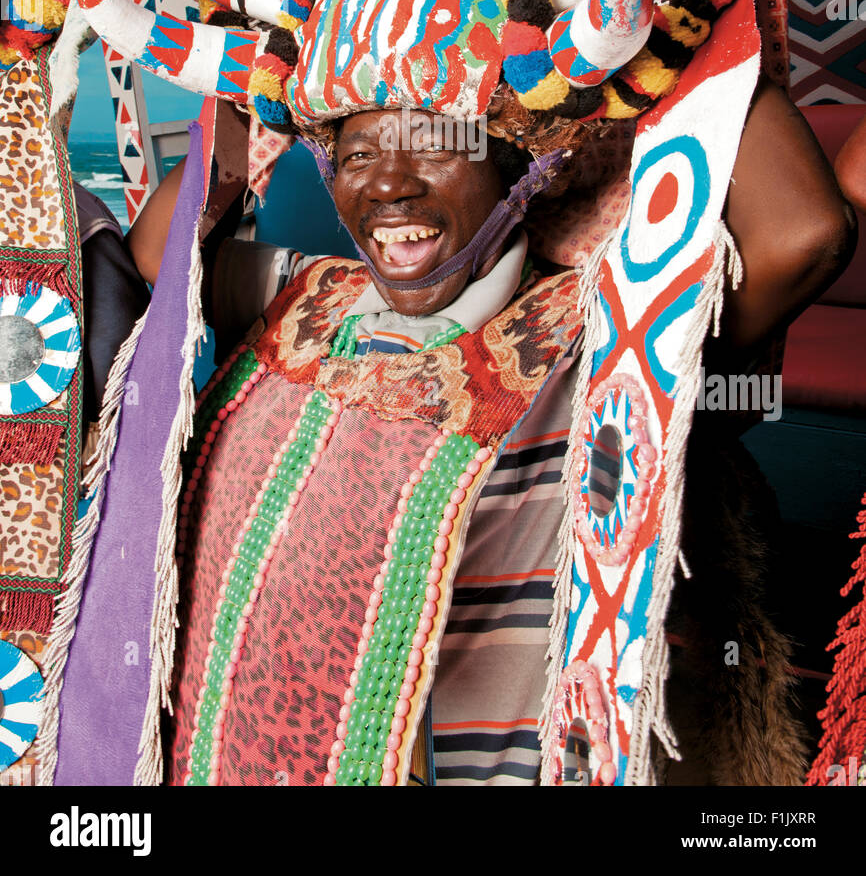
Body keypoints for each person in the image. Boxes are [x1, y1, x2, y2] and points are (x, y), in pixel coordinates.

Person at [124, 74, 854, 785]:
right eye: (357, 158)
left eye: (435, 148)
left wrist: (691, 22)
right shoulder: (312, 292)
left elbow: (806, 235)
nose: (387, 185)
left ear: (516, 178)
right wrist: (241, 78)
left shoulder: (594, 327)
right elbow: (163, 256)